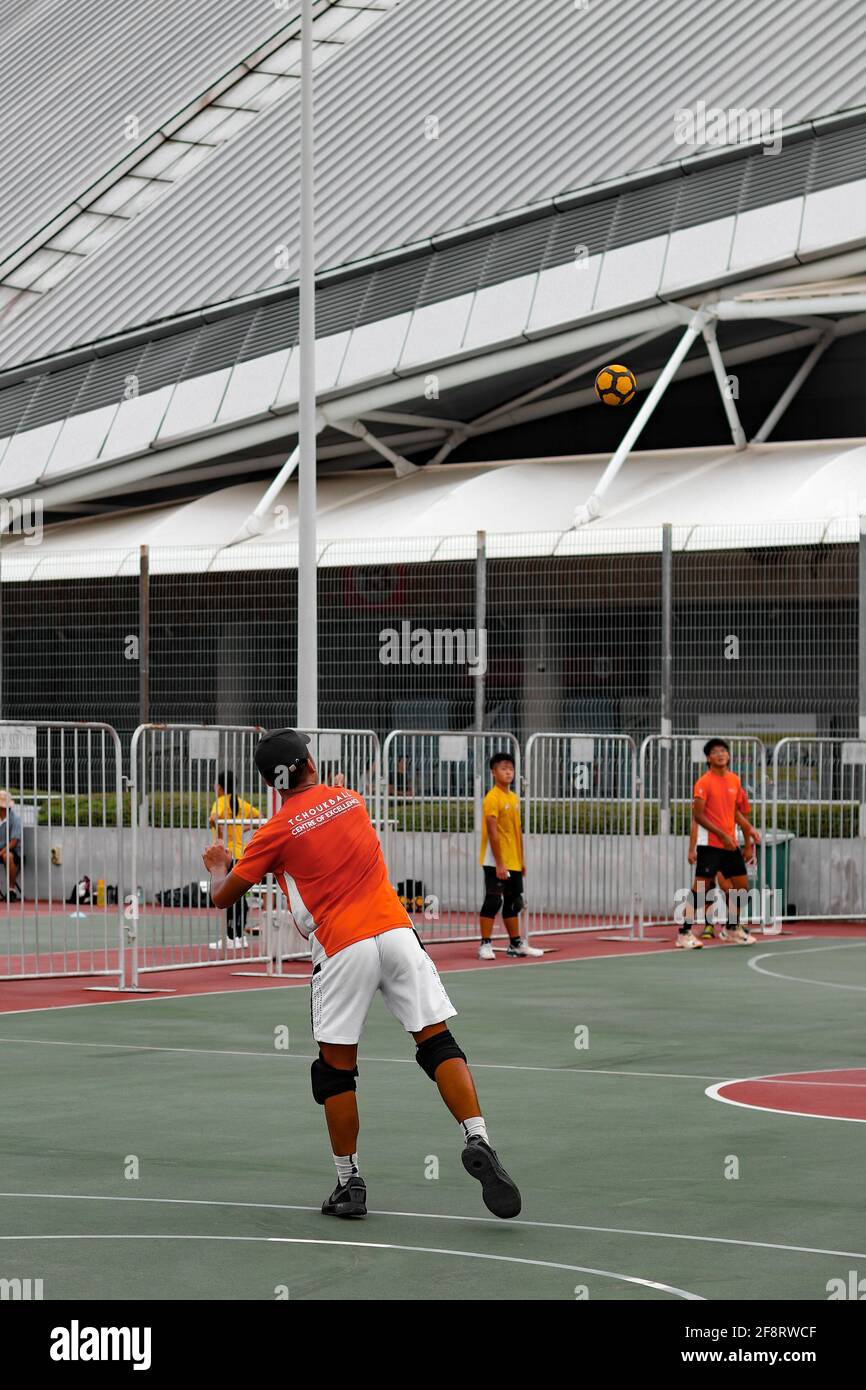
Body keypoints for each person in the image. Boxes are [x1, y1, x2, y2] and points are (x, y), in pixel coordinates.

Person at [202, 728, 521, 1221]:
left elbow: (224, 897)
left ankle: (350, 1183)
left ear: (270, 782)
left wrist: (221, 866)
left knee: (335, 1071)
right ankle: (477, 1136)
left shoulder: (275, 829)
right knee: (437, 1042)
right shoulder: (350, 800)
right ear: (309, 762)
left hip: (342, 945)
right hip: (395, 930)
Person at [680, 739, 761, 949]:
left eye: (723, 750)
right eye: (715, 752)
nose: (720, 754)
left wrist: (749, 830)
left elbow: (734, 812)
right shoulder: (703, 782)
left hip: (729, 845)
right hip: (710, 844)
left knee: (742, 888)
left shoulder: (734, 780)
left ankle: (732, 928)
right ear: (709, 758)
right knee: (700, 889)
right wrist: (720, 835)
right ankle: (684, 932)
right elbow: (698, 815)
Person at [477, 752, 542, 960]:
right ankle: (485, 944)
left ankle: (516, 944)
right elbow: (493, 833)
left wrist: (520, 860)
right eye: (503, 768)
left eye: (511, 769)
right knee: (493, 901)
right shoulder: (492, 798)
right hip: (494, 860)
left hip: (513, 860)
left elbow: (517, 831)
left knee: (514, 902)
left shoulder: (513, 798)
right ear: (493, 772)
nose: (508, 772)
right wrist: (500, 864)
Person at [208, 771, 262, 947]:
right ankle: (240, 936)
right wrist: (244, 828)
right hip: (240, 855)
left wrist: (221, 834)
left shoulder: (222, 802)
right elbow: (260, 816)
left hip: (226, 856)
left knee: (228, 897)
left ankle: (229, 938)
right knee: (240, 897)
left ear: (221, 787)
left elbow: (213, 818)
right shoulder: (240, 803)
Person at [0, 791, 22, 902]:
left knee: (7, 856)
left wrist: (0, 852)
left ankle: (11, 890)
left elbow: (13, 842)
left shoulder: (15, 820)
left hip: (13, 851)